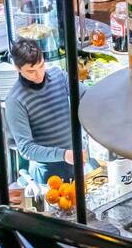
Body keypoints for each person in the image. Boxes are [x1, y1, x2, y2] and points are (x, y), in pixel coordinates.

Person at [5, 36, 81, 185]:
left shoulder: (58, 76)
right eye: (31, 71)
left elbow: (85, 95)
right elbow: (26, 148)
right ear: (18, 69)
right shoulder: (15, 100)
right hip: (46, 172)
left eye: (41, 66)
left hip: (74, 160)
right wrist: (63, 154)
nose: (39, 74)